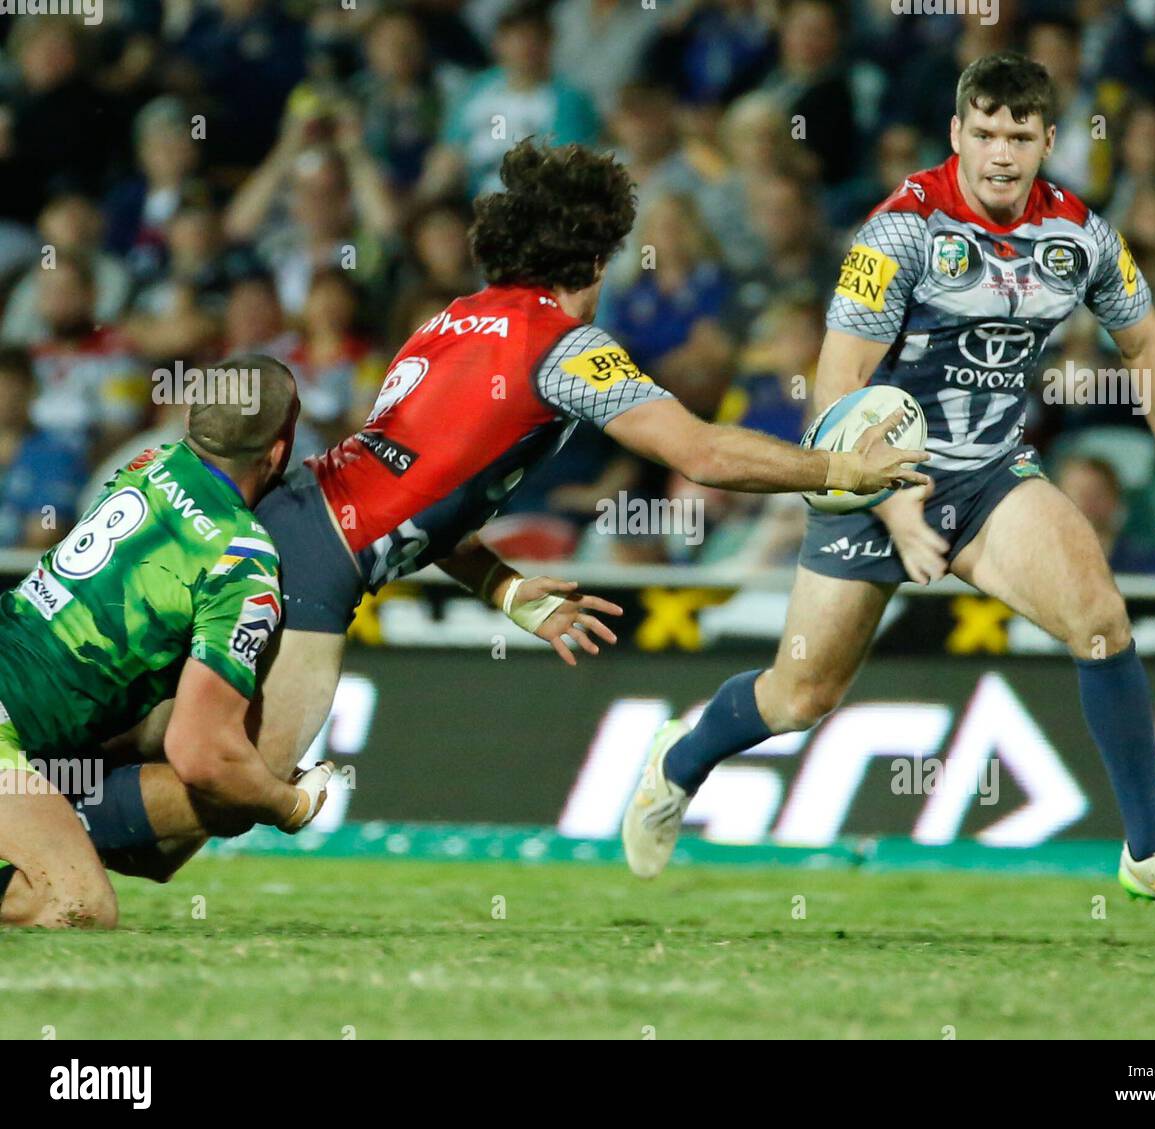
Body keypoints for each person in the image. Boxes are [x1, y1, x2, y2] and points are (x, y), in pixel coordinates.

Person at [78, 139, 927, 883]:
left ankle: (47, 815)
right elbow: (699, 453)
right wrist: (841, 467)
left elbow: (416, 496)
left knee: (164, 772)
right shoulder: (566, 347)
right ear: (593, 256)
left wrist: (509, 592)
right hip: (314, 567)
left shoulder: (446, 322)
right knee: (240, 786)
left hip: (288, 524)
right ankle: (49, 822)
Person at [621, 52, 1155, 922]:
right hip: (868, 473)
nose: (1000, 154)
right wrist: (899, 509)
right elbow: (837, 397)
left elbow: (1149, 344)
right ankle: (678, 760)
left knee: (1100, 620)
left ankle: (1148, 852)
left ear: (1047, 142)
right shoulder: (899, 231)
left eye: (1019, 137)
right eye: (984, 134)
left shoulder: (1080, 234)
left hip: (990, 475)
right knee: (800, 697)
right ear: (956, 134)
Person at [0, 355, 332, 929]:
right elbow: (202, 755)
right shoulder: (240, 559)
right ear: (279, 451)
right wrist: (292, 804)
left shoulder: (151, 462)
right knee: (74, 904)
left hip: (25, 713)